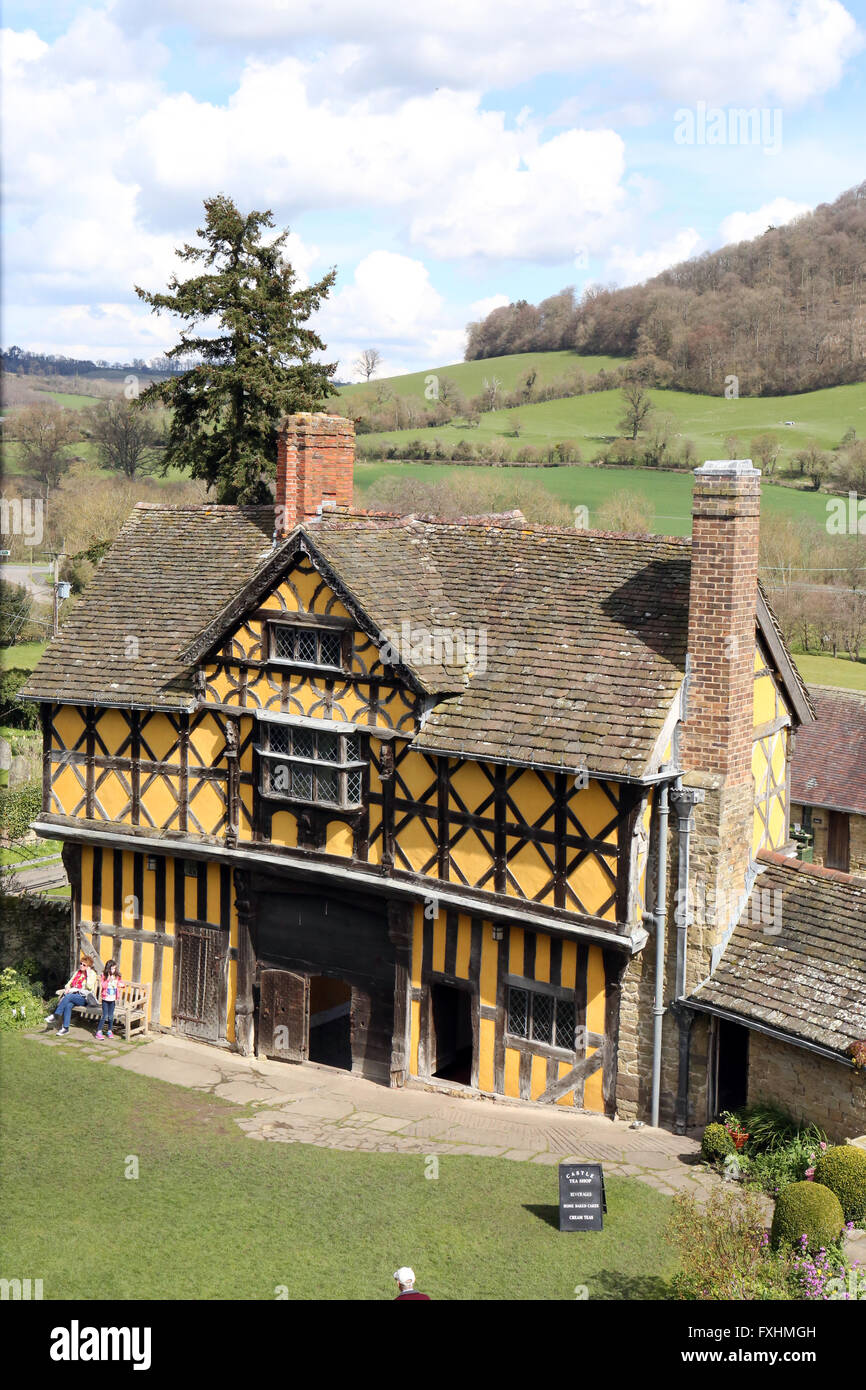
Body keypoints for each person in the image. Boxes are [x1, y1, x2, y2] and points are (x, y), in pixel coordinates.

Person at [44, 955, 98, 1036]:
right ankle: (65, 1029)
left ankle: (56, 1015)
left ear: (88, 967)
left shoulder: (92, 974)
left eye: (84, 965)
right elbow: (68, 983)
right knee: (68, 1005)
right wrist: (67, 988)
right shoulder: (78, 972)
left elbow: (89, 987)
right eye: (81, 963)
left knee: (68, 997)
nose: (81, 966)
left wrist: (88, 974)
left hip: (84, 998)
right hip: (74, 996)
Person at [95, 960, 122, 1040]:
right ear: (108, 968)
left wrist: (121, 984)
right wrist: (108, 979)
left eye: (114, 968)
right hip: (105, 1000)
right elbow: (103, 986)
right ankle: (99, 1032)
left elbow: (119, 982)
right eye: (112, 969)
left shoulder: (117, 976)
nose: (113, 970)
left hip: (112, 1000)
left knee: (110, 1016)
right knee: (105, 1015)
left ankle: (109, 1031)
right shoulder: (104, 975)